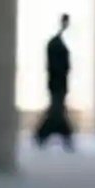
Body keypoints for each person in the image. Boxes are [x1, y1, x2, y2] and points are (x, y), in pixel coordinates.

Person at [34, 13, 75, 151]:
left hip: (59, 83)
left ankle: (44, 135)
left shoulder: (57, 43)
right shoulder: (55, 44)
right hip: (57, 83)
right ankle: (45, 135)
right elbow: (56, 66)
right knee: (56, 112)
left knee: (57, 111)